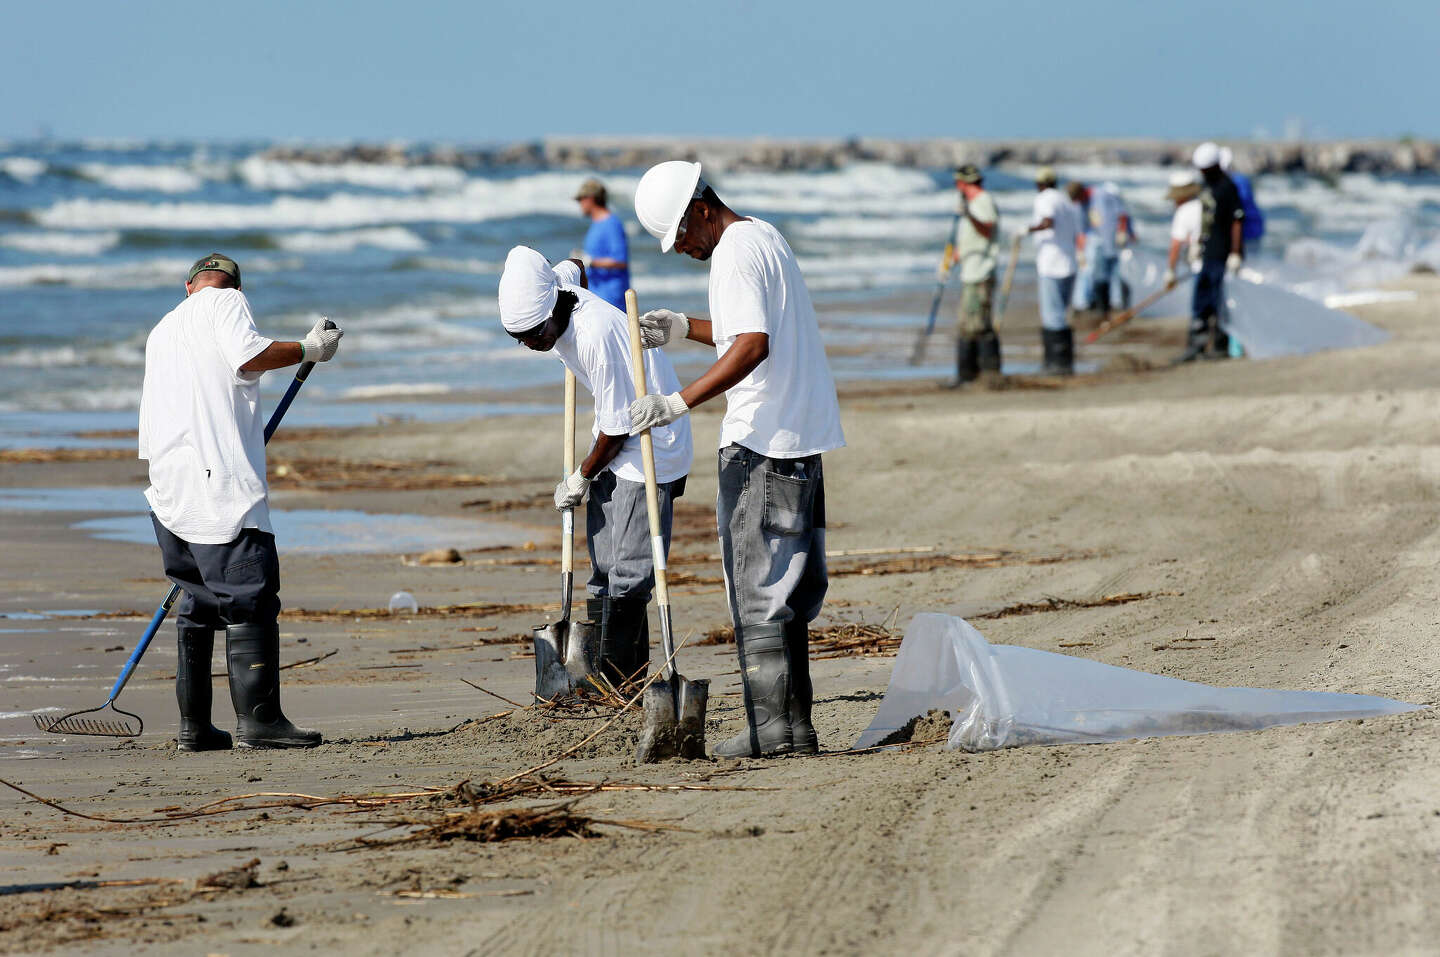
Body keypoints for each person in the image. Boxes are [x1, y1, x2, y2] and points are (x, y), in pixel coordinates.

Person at [627, 160, 845, 758]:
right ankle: (795, 731)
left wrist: (678, 400)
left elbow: (752, 344)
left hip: (759, 445)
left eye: (679, 237)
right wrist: (680, 329)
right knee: (790, 591)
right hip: (799, 440)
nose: (679, 250)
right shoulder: (763, 236)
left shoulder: (732, 254)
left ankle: (770, 733)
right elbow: (739, 329)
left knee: (756, 592)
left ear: (702, 209)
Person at [139, 254, 342, 751]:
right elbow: (246, 356)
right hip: (219, 482)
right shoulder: (227, 301)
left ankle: (195, 728)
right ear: (229, 286)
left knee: (199, 600)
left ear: (188, 286)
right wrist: (306, 348)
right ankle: (260, 721)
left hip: (168, 484)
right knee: (250, 596)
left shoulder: (163, 328)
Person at [496, 246, 693, 686]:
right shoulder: (558, 287)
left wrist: (581, 476)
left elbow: (620, 425)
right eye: (520, 338)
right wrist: (587, 472)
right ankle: (599, 674)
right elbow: (576, 265)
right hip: (611, 432)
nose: (531, 344)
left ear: (552, 309)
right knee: (602, 570)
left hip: (649, 441)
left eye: (534, 332)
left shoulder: (597, 336)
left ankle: (626, 683)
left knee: (629, 573)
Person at [1169, 142, 1245, 362]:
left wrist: (1235, 252)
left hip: (1223, 254)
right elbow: (1204, 219)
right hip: (1207, 253)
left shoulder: (1227, 187)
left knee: (1220, 300)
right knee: (1201, 299)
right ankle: (1197, 346)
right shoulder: (1206, 187)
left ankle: (1220, 346)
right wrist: (1196, 245)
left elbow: (1237, 221)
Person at [938, 163, 1001, 386]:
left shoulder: (982, 202)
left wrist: (969, 214)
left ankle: (985, 374)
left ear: (963, 183)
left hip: (981, 271)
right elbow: (966, 243)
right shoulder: (973, 204)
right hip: (970, 270)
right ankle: (968, 374)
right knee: (967, 323)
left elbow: (987, 229)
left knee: (978, 324)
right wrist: (948, 263)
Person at [1026, 167, 1082, 375]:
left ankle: (1056, 363)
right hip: (1069, 262)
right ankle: (1063, 362)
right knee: (1061, 312)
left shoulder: (1045, 199)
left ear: (1040, 184)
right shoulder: (1064, 199)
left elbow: (1047, 222)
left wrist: (1027, 229)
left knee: (1052, 315)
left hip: (1052, 263)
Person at [1082, 181, 1134, 322]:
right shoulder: (1093, 201)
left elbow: (1122, 216)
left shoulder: (1105, 198)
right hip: (1103, 245)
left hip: (1116, 246)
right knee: (1101, 277)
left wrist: (1123, 232)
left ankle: (1123, 309)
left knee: (1121, 277)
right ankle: (1103, 310)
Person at [575, 178, 630, 311]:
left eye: (580, 199)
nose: (579, 204)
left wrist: (591, 262)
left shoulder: (612, 224)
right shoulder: (596, 224)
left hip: (611, 299)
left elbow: (621, 261)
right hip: (597, 295)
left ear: (590, 199)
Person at [1220, 147, 1265, 257]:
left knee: (1249, 262)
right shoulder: (1237, 181)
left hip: (1249, 231)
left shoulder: (1238, 182)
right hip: (1246, 230)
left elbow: (1238, 207)